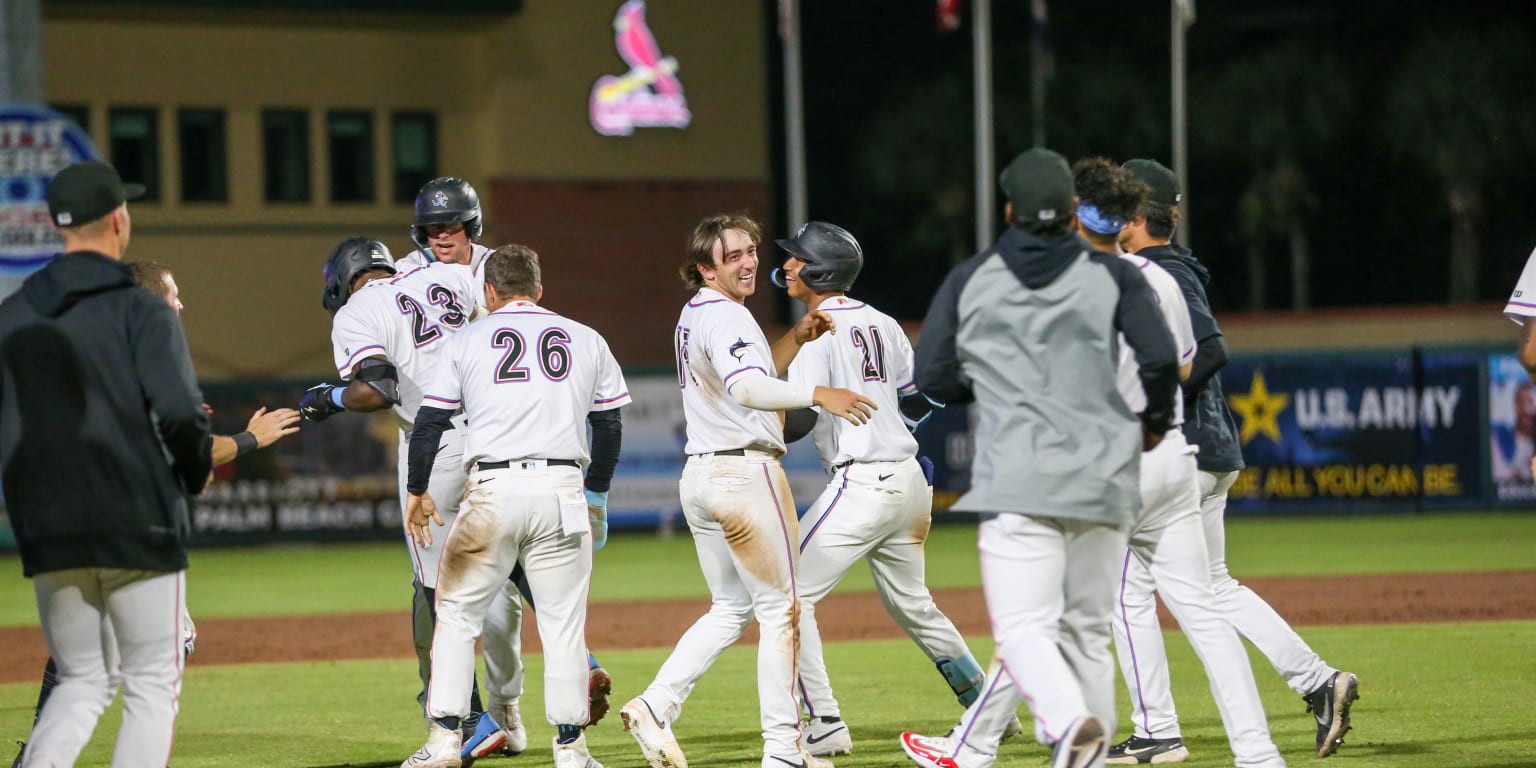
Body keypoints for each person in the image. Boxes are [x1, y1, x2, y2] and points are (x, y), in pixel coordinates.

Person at [907, 148, 1179, 768]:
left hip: (1020, 475)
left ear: (1010, 210)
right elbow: (1160, 359)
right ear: (1073, 209)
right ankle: (1088, 746)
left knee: (1023, 628)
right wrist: (1155, 425)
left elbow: (934, 375)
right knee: (1087, 632)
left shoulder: (974, 276)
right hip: (1105, 475)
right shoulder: (1114, 275)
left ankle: (1069, 722)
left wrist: (992, 384)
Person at [9, 260, 300, 767]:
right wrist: (250, 438)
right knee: (155, 671)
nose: (181, 304)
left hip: (58, 530)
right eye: (173, 295)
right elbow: (194, 458)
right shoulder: (147, 358)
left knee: (79, 671)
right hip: (127, 529)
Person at [1116, 158, 1357, 761]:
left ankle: (1157, 730)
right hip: (1208, 449)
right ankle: (1318, 682)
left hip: (1183, 450)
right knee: (1212, 587)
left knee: (1125, 591)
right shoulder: (1168, 266)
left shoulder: (1160, 270)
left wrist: (1157, 400)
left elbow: (1212, 349)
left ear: (1138, 215)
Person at [619, 213, 875, 768]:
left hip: (701, 476)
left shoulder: (698, 312)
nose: (749, 261)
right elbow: (748, 388)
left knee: (731, 607)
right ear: (705, 269)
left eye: (751, 250)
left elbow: (747, 376)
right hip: (745, 476)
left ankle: (656, 704)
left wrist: (794, 339)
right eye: (732, 255)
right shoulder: (728, 315)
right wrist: (818, 394)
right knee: (781, 611)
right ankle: (784, 750)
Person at [770, 221, 1019, 757]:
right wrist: (894, 436)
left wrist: (755, 418)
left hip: (863, 483)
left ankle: (825, 721)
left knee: (787, 597)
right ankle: (986, 707)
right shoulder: (883, 322)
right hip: (907, 479)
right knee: (915, 605)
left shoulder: (816, 329)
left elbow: (799, 418)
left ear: (821, 271)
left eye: (797, 258)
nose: (787, 265)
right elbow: (915, 399)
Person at [0, 160, 212, 767]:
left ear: (57, 224)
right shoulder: (142, 309)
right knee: (150, 686)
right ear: (119, 219)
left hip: (48, 526)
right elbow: (180, 413)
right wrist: (191, 473)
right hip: (136, 518)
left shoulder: (13, 314)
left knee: (82, 680)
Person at [397, 176, 616, 726]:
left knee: (450, 600)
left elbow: (428, 416)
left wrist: (416, 486)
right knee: (539, 603)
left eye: (451, 224)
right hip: (546, 471)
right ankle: (548, 728)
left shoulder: (443, 289)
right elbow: (607, 421)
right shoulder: (566, 321)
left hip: (474, 449)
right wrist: (597, 494)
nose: (441, 234)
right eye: (432, 226)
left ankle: (461, 727)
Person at [298, 236, 523, 762]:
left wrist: (328, 398)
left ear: (340, 280)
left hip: (435, 447)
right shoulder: (447, 275)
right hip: (499, 435)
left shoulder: (357, 310)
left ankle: (462, 723)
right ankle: (563, 691)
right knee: (520, 569)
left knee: (437, 593)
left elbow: (377, 389)